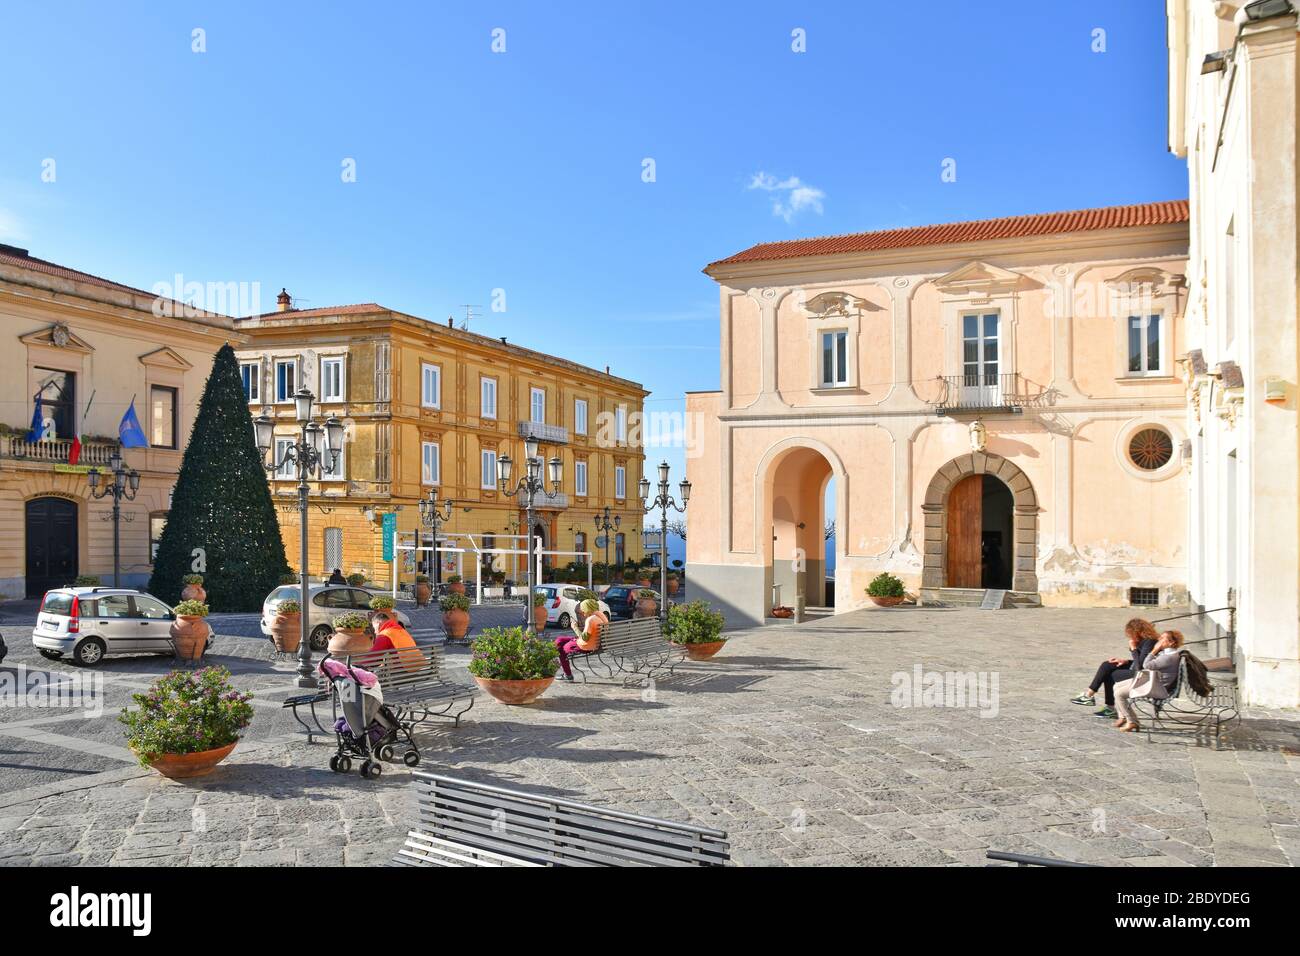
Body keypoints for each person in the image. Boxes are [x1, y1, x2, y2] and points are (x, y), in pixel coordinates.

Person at [1070, 618, 1159, 719]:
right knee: (1107, 665)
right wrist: (1125, 661)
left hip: (1143, 675)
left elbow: (1141, 666)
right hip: (1137, 669)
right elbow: (1138, 661)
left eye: (1130, 633)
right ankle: (1090, 695)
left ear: (1137, 632)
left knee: (1111, 673)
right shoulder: (1145, 641)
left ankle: (1107, 706)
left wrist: (1133, 649)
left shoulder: (1150, 642)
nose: (1130, 636)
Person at [1113, 629, 1185, 732]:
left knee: (1119, 694)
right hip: (1153, 681)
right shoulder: (1169, 654)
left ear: (1171, 642)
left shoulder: (1168, 658)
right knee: (1116, 686)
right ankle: (1124, 716)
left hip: (1156, 687)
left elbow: (1146, 665)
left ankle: (1131, 721)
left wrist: (1154, 650)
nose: (1159, 641)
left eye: (1162, 639)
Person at [554, 599, 606, 682]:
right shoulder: (600, 616)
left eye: (583, 609)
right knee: (559, 640)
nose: (582, 611)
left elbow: (584, 638)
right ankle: (555, 651)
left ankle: (568, 675)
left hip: (586, 646)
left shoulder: (591, 620)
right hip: (594, 643)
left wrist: (574, 627)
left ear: (588, 608)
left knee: (562, 648)